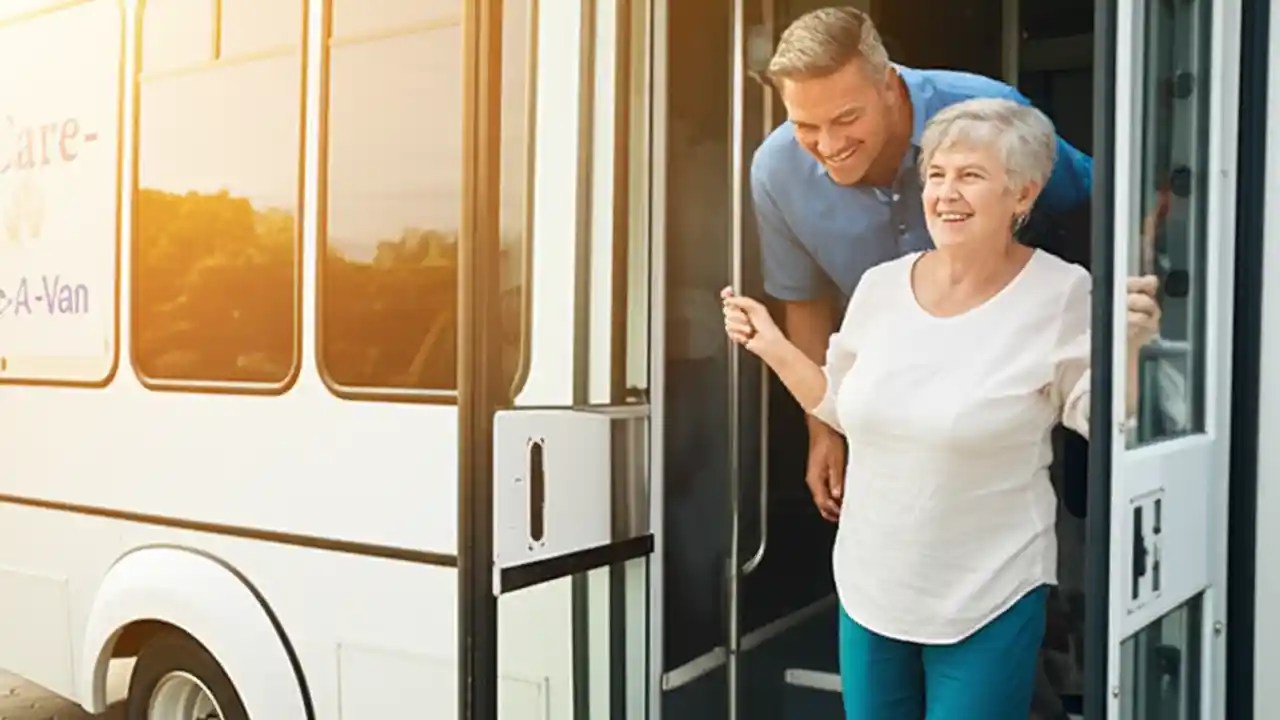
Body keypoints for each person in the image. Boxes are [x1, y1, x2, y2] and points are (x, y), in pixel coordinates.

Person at [721, 97, 1161, 719]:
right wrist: (768, 342)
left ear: (1023, 195)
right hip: (872, 586)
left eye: (971, 176)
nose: (946, 193)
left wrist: (1129, 352)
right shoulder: (881, 287)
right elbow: (842, 405)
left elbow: (1099, 417)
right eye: (936, 176)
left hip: (988, 594)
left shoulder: (1060, 292)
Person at [749, 6, 1093, 523]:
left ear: (889, 86)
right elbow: (805, 299)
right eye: (806, 126)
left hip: (1026, 375)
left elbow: (1089, 206)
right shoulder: (775, 170)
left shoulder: (991, 110)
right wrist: (823, 432)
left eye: (846, 119)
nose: (829, 145)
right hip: (898, 404)